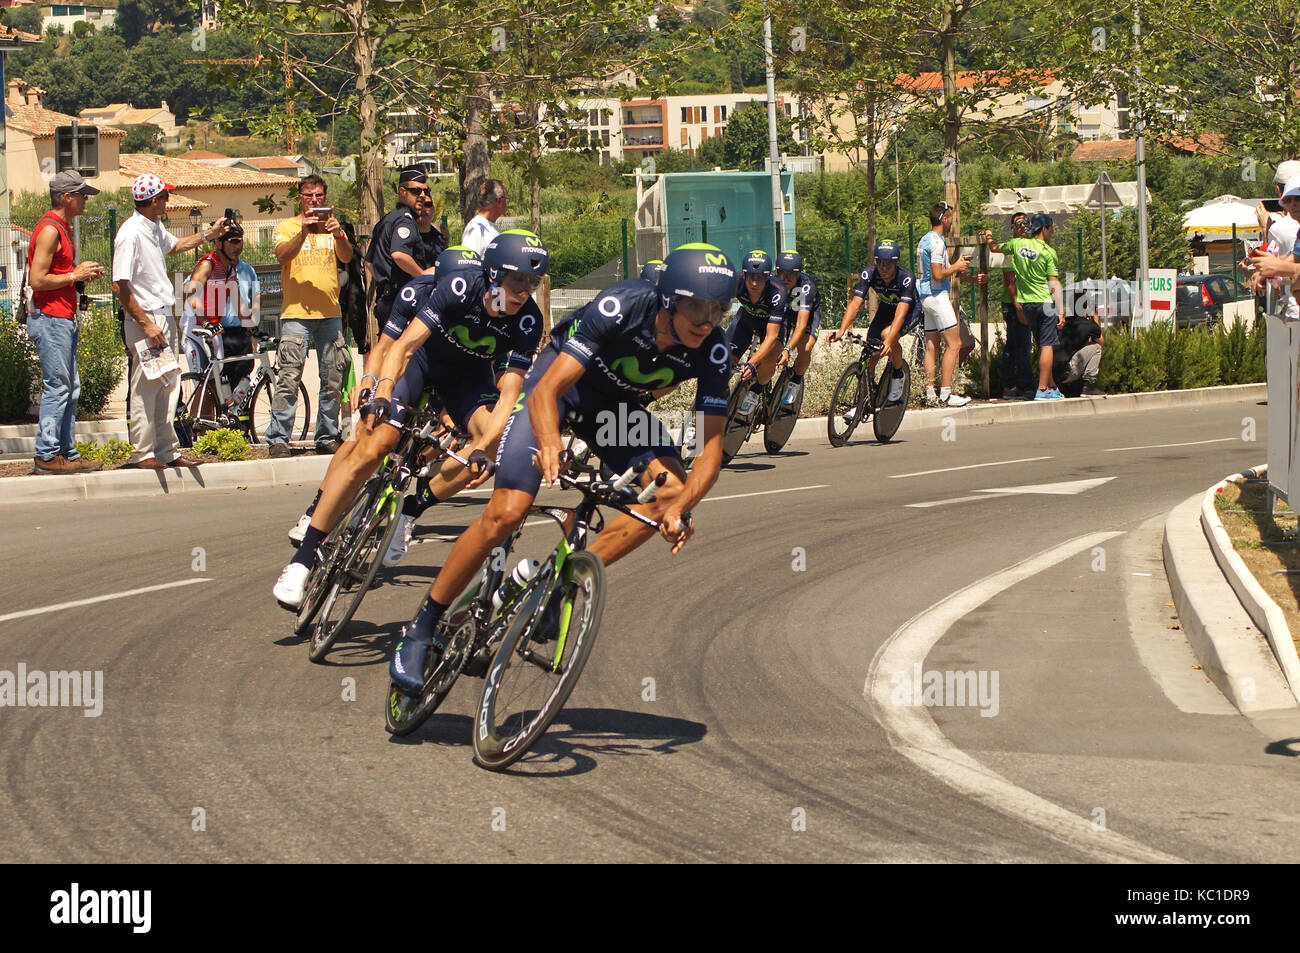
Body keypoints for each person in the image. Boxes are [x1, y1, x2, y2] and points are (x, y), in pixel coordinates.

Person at [388, 243, 737, 694]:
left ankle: (562, 583)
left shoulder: (712, 349)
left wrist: (681, 507)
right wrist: (551, 441)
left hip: (614, 413)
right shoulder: (621, 306)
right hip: (558, 392)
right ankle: (421, 627)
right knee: (508, 511)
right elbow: (546, 390)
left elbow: (711, 450)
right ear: (669, 298)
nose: (707, 321)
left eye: (718, 309)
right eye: (696, 307)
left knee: (669, 494)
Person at [274, 231, 547, 609]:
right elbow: (402, 346)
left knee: (490, 449)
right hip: (421, 364)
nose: (523, 292)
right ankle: (302, 560)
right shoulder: (456, 286)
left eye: (532, 283)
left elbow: (509, 393)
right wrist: (382, 390)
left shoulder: (529, 319)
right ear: (493, 274)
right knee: (375, 443)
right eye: (517, 280)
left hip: (465, 381)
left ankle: (413, 507)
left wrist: (482, 448)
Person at [112, 173, 228, 470]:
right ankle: (143, 453)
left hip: (161, 313)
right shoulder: (130, 233)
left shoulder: (154, 226)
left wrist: (208, 235)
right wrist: (147, 324)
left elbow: (175, 245)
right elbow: (120, 285)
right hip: (146, 318)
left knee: (169, 383)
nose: (168, 200)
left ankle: (167, 450)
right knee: (146, 385)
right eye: (164, 196)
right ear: (153, 200)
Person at [267, 174, 354, 457]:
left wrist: (339, 233)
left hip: (330, 312)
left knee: (332, 379)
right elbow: (282, 256)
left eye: (319, 195)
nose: (314, 200)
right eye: (308, 195)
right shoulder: (287, 226)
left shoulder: (332, 227)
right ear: (300, 198)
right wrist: (303, 232)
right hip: (295, 314)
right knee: (289, 377)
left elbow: (346, 257)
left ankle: (326, 436)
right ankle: (279, 438)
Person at [25, 170, 105, 474]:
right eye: (82, 195)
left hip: (62, 318)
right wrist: (75, 275)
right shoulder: (49, 230)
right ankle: (47, 455)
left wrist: (77, 272)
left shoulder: (61, 227)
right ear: (68, 197)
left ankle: (66, 455)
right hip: (50, 319)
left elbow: (55, 274)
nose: (86, 200)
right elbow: (38, 280)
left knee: (70, 388)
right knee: (58, 387)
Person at [829, 239, 918, 407]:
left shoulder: (906, 277)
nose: (883, 268)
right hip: (885, 309)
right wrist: (841, 330)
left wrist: (889, 341)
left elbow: (900, 313)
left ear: (896, 263)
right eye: (880, 263)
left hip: (908, 311)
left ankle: (899, 374)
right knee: (871, 350)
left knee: (886, 336)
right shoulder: (869, 273)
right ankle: (866, 396)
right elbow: (855, 303)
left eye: (888, 264)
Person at [183, 222, 260, 397]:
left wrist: (251, 326)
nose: (238, 246)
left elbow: (237, 301)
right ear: (218, 243)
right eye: (233, 241)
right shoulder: (208, 264)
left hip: (213, 329)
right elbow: (190, 293)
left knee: (217, 383)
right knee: (204, 387)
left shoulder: (231, 268)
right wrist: (205, 322)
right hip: (195, 329)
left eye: (240, 241)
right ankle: (195, 421)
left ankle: (217, 422)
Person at [916, 201, 974, 407]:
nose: (952, 222)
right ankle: (946, 394)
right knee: (955, 344)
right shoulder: (938, 242)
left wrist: (962, 271)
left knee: (932, 345)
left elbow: (941, 270)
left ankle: (930, 393)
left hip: (925, 297)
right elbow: (939, 274)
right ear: (945, 219)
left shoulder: (925, 239)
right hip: (937, 296)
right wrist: (956, 265)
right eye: (951, 218)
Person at [1001, 213, 1065, 400]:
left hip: (1025, 304)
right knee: (1046, 346)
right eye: (1051, 228)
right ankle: (1042, 388)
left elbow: (996, 249)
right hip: (1043, 303)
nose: (1052, 231)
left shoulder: (1018, 246)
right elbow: (1054, 283)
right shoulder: (1047, 251)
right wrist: (1060, 311)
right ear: (1044, 229)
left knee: (1031, 345)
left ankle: (1050, 385)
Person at [366, 166, 430, 345]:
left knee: (388, 353)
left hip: (386, 299)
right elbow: (399, 254)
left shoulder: (387, 219)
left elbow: (370, 262)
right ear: (402, 191)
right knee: (405, 357)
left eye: (425, 190)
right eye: (416, 191)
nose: (422, 195)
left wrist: (384, 280)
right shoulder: (405, 220)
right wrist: (423, 276)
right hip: (402, 299)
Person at [725, 250, 787, 389]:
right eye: (751, 277)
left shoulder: (778, 292)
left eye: (760, 278)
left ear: (768, 278)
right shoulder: (734, 281)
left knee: (769, 359)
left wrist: (753, 363)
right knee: (723, 362)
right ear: (744, 275)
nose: (754, 283)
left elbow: (772, 337)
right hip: (746, 319)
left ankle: (757, 390)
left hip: (771, 325)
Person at [991, 213, 1034, 399]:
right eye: (1019, 223)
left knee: (1015, 345)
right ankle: (1024, 386)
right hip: (1014, 303)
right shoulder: (1010, 249)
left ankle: (1011, 385)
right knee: (1020, 346)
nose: (1024, 226)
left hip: (1028, 302)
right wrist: (1018, 306)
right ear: (1013, 228)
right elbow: (1009, 282)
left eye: (1026, 222)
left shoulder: (1031, 248)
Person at [773, 250, 821, 406]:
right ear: (777, 271)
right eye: (782, 273)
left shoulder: (806, 286)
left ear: (799, 274)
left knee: (805, 346)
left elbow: (801, 325)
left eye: (791, 274)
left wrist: (788, 349)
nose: (786, 278)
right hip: (784, 313)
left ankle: (795, 381)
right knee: (773, 346)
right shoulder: (771, 280)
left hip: (805, 315)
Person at [1055, 314, 1103, 396]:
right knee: (1096, 347)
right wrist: (1095, 318)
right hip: (1069, 371)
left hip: (1055, 373)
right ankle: (1089, 384)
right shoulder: (1088, 325)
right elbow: (1101, 342)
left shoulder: (1062, 323)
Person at [460, 179, 508, 257]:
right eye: (506, 198)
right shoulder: (476, 229)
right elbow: (468, 263)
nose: (507, 202)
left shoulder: (489, 226)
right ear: (499, 201)